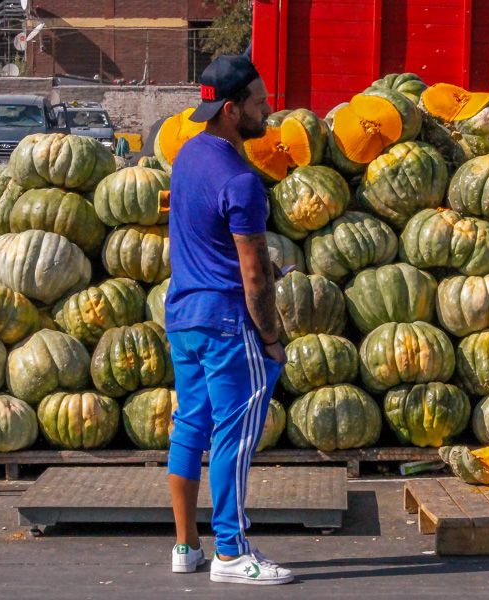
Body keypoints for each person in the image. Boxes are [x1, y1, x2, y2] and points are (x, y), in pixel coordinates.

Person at [164, 54, 292, 585]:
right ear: (233, 110)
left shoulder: (188, 156)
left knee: (190, 427)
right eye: (261, 102)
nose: (269, 110)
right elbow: (254, 276)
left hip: (183, 316)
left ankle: (185, 545)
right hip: (225, 321)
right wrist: (273, 336)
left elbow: (201, 239)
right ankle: (231, 554)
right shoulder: (242, 180)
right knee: (235, 437)